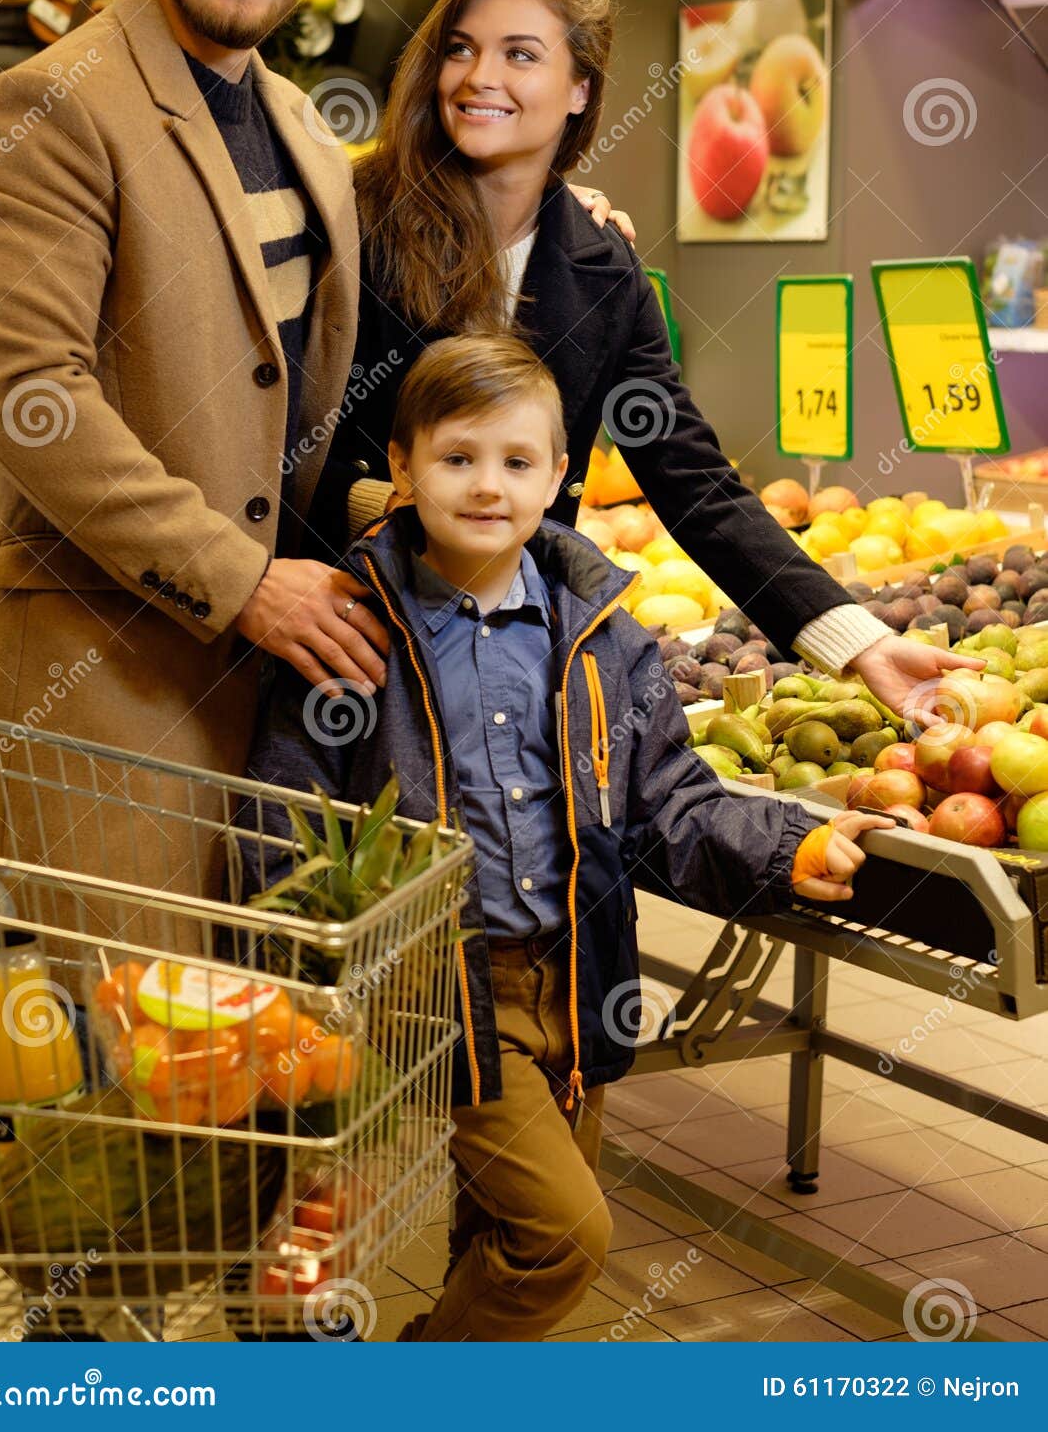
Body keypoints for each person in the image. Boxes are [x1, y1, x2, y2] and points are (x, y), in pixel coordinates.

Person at [0, 0, 623, 913]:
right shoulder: (49, 107)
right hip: (107, 670)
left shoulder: (299, 125)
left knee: (270, 1044)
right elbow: (29, 399)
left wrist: (558, 206)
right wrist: (243, 584)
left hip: (280, 681)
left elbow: (399, 260)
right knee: (134, 1045)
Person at [237, 334, 893, 1343]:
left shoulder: (607, 639)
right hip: (445, 989)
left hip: (581, 981)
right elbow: (286, 806)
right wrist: (303, 962)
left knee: (498, 1232)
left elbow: (671, 800)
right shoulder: (355, 626)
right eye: (457, 459)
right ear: (402, 469)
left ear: (559, 474)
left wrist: (785, 848)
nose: (488, 485)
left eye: (516, 461)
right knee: (564, 1236)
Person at [302, 0, 981, 722]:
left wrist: (855, 641)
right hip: (346, 637)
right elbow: (267, 431)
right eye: (460, 48)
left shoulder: (602, 267)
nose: (478, 77)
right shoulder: (352, 221)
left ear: (580, 91)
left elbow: (691, 477)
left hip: (513, 661)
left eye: (520, 54)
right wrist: (383, 507)